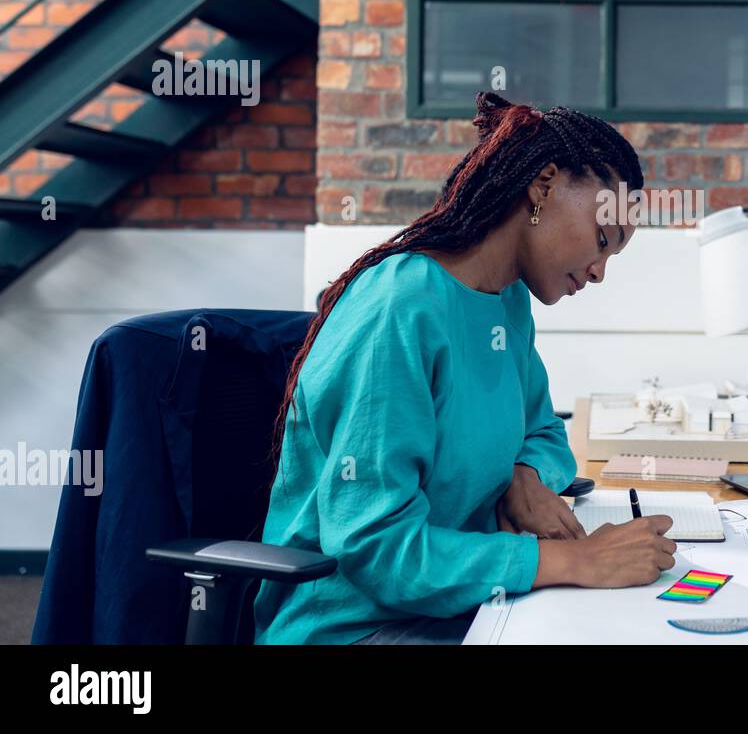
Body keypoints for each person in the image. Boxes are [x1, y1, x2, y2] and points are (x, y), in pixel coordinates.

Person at [253, 91, 676, 644]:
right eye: (603, 240)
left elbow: (545, 433)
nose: (599, 272)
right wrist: (576, 562)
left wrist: (525, 477)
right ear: (543, 184)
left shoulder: (506, 303)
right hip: (356, 625)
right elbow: (378, 548)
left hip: (472, 609)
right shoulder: (399, 308)